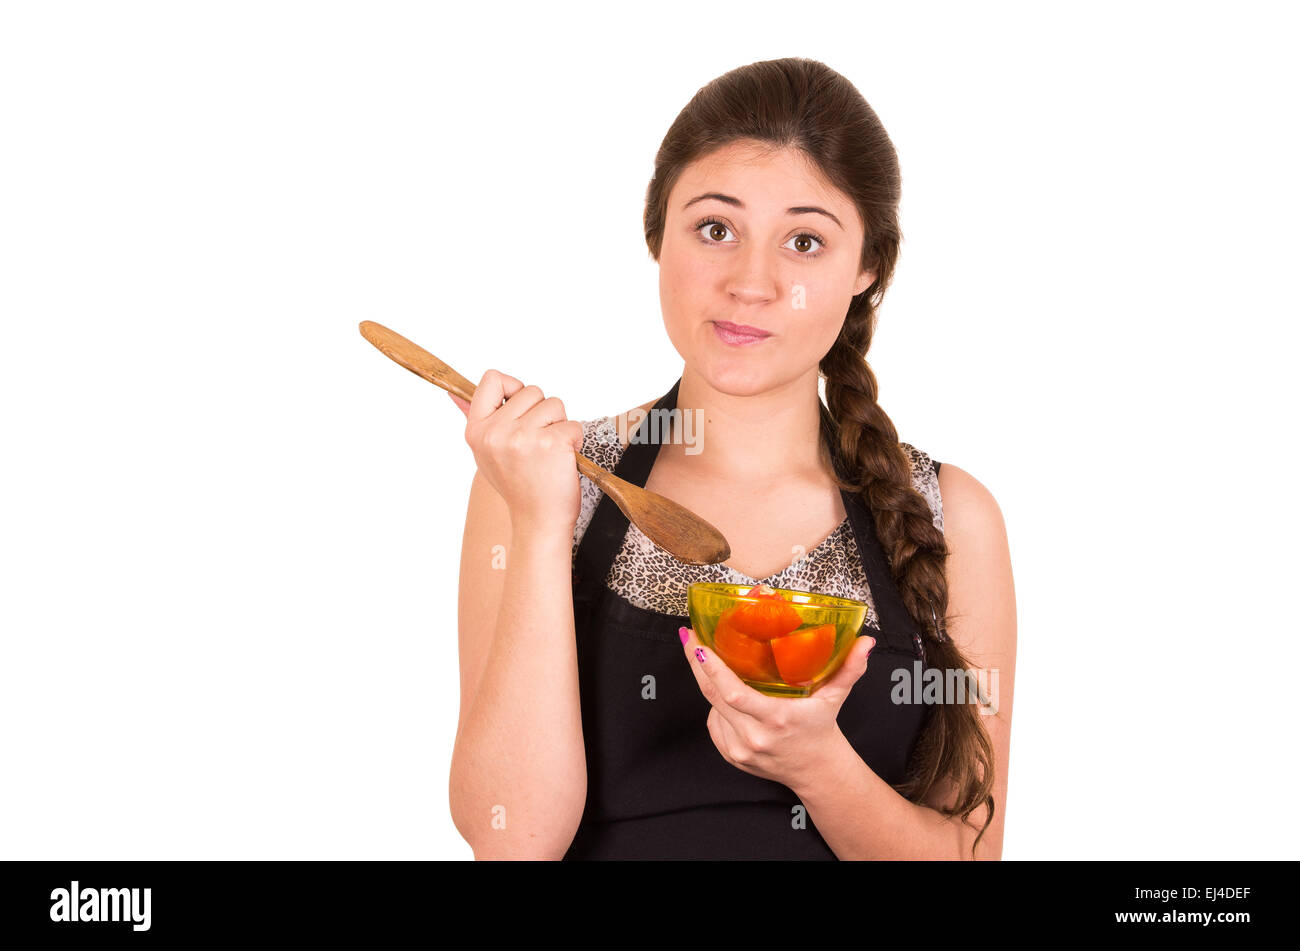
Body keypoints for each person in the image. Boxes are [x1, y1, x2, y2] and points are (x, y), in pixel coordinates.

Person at [446, 57, 1016, 860]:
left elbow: (971, 856)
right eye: (716, 229)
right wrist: (541, 523)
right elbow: (513, 839)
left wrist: (817, 765)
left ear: (868, 269)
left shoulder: (952, 516)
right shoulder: (538, 481)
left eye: (805, 242)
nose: (752, 282)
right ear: (657, 233)